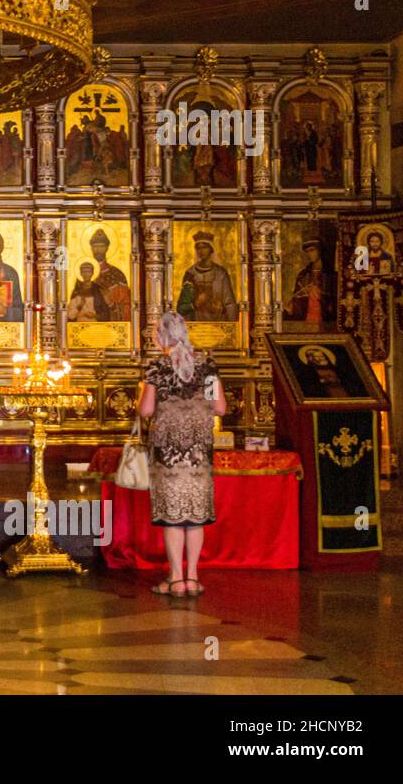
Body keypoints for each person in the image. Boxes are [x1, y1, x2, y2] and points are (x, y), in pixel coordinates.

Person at [138, 312, 225, 597]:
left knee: (173, 515)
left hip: (169, 451)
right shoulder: (206, 366)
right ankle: (193, 579)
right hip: (198, 450)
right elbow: (220, 407)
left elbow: (146, 410)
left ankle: (176, 580)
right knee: (195, 515)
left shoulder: (157, 367)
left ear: (161, 336)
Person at [177, 231, 238, 321]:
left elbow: (229, 303)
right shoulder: (190, 273)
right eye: (198, 248)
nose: (201, 251)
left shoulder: (221, 273)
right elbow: (181, 307)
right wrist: (196, 303)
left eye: (204, 247)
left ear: (211, 249)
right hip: (196, 322)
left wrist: (232, 324)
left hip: (218, 321)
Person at [284, 236, 335, 325]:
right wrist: (291, 308)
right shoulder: (303, 275)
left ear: (320, 250)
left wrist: (320, 294)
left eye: (312, 250)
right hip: (307, 319)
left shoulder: (330, 273)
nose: (309, 254)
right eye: (307, 251)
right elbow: (297, 301)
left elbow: (335, 301)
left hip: (324, 319)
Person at [89, 228, 132, 321]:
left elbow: (126, 306)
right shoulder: (84, 272)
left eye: (101, 246)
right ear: (91, 248)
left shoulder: (116, 275)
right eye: (95, 246)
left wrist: (110, 302)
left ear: (107, 248)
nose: (98, 250)